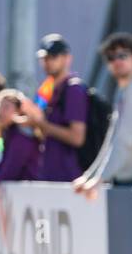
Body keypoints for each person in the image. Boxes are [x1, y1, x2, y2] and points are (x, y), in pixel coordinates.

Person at [75, 32, 132, 197]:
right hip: (131, 181)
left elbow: (123, 141)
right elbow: (112, 140)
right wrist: (90, 176)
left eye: (122, 55)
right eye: (110, 57)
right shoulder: (126, 90)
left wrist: (98, 179)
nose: (116, 61)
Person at [22, 34, 87, 182]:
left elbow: (77, 137)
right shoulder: (46, 89)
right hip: (48, 174)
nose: (48, 62)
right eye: (44, 58)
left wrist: (39, 123)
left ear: (67, 58)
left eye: (53, 56)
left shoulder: (73, 89)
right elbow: (40, 130)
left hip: (69, 178)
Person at [0, 89, 41, 196]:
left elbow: (9, 172)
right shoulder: (9, 134)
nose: (0, 112)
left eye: (6, 107)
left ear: (19, 110)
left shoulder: (22, 137)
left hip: (31, 196)